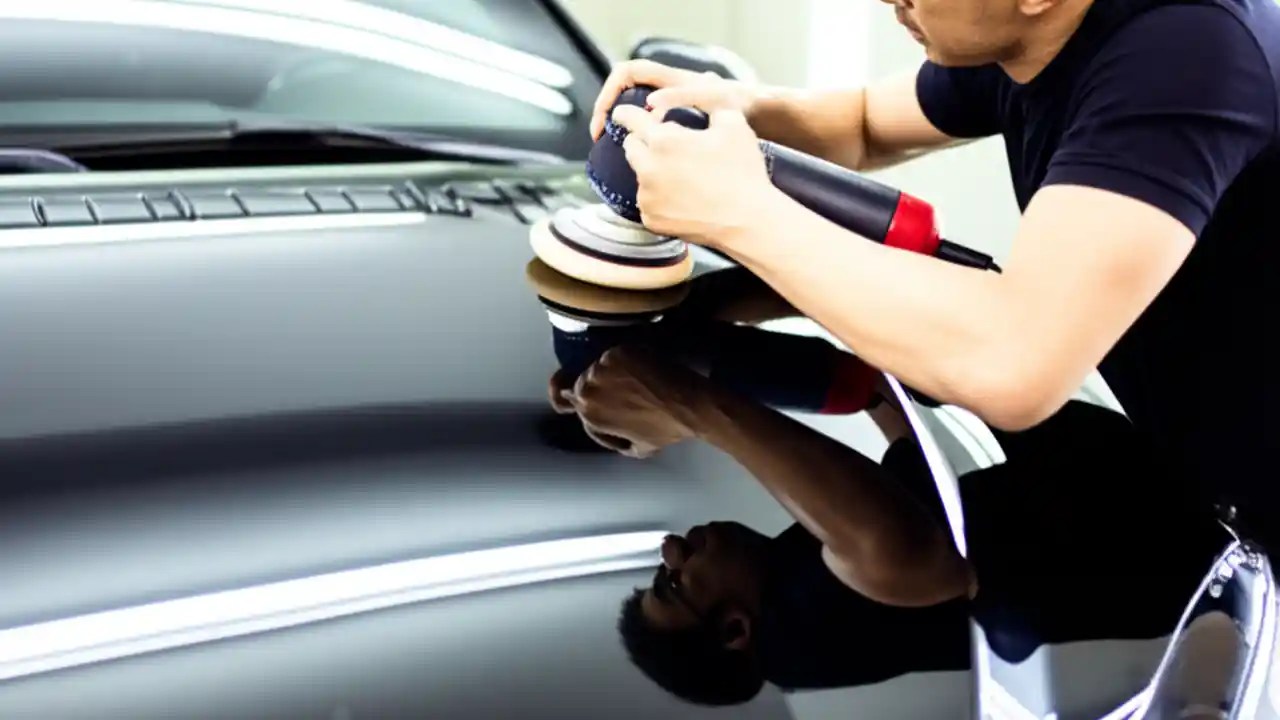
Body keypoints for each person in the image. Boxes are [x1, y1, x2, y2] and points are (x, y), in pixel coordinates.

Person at [589, 0, 1280, 547]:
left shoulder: (1184, 54)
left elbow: (1015, 363)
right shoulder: (1030, 35)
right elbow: (862, 125)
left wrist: (738, 211)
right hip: (1196, 469)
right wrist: (741, 108)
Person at [559, 346, 1230, 705]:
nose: (672, 549)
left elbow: (896, 426)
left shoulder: (806, 578)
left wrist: (691, 354)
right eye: (673, 583)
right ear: (734, 628)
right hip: (1215, 511)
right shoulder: (805, 629)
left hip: (1188, 468)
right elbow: (906, 554)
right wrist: (686, 401)